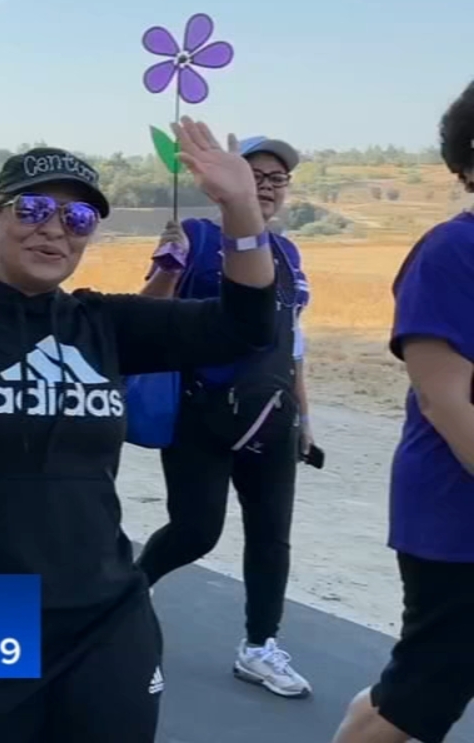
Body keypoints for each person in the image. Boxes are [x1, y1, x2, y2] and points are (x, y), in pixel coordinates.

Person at [0, 125, 278, 743]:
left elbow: (246, 325)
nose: (54, 228)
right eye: (33, 208)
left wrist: (240, 208)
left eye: (77, 217)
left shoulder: (98, 322)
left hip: (102, 614)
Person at [134, 135, 316, 698]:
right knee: (196, 531)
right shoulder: (196, 235)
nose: (265, 185)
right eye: (254, 173)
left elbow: (293, 341)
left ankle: (260, 646)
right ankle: (124, 599)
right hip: (200, 416)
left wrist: (305, 417)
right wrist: (168, 267)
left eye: (276, 178)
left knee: (271, 539)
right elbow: (146, 316)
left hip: (273, 418)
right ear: (227, 178)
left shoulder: (287, 254)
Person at [331, 81, 474, 743]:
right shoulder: (450, 252)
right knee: (422, 698)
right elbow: (449, 403)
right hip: (456, 516)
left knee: (418, 687)